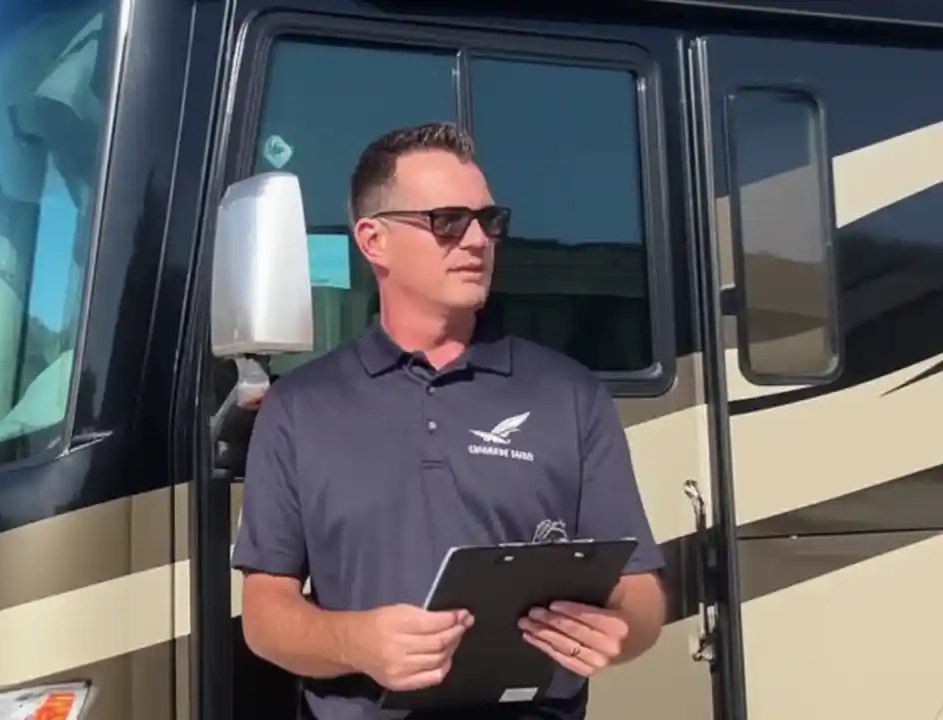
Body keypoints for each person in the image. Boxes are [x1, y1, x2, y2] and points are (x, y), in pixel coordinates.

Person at [230, 122, 667, 720]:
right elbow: (265, 615)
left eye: (490, 221)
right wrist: (358, 643)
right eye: (447, 221)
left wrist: (621, 632)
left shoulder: (570, 395)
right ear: (372, 240)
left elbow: (640, 592)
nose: (478, 241)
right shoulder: (300, 406)